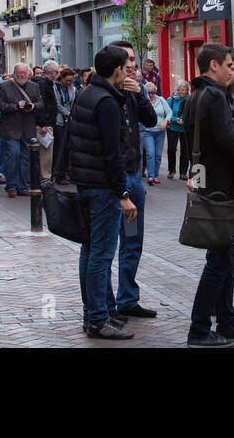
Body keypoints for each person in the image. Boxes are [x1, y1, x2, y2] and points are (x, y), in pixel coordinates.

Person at [184, 43, 234, 347]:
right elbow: (230, 142)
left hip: (208, 181)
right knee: (219, 260)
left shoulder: (194, 95)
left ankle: (226, 320)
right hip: (220, 186)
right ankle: (199, 329)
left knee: (224, 256)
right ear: (214, 65)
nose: (233, 70)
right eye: (229, 65)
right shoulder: (215, 96)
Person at [68, 46, 136, 339]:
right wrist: (122, 193)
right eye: (125, 66)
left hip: (85, 182)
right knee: (101, 254)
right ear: (117, 70)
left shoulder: (85, 93)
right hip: (102, 188)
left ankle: (92, 314)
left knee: (89, 249)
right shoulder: (107, 101)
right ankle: (97, 319)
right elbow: (112, 154)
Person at [107, 41, 159, 320]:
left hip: (133, 177)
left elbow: (150, 120)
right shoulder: (102, 93)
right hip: (114, 181)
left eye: (134, 61)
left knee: (131, 240)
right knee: (105, 246)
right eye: (126, 60)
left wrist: (139, 93)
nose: (131, 65)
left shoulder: (133, 93)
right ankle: (105, 306)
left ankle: (127, 298)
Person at [0, 64, 43, 198]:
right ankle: (12, 185)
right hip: (11, 128)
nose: (22, 75)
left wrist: (33, 106)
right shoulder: (4, 86)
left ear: (28, 74)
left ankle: (23, 186)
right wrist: (15, 107)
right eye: (19, 73)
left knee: (26, 158)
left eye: (24, 73)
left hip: (27, 128)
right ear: (14, 73)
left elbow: (40, 103)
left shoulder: (34, 86)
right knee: (13, 155)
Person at [35, 61, 60, 184]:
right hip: (45, 123)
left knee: (46, 152)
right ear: (52, 72)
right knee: (46, 153)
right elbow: (42, 105)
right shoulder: (44, 84)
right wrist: (43, 124)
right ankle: (45, 178)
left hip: (47, 122)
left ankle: (45, 177)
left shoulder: (43, 84)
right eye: (56, 72)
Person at [141, 82, 169, 185]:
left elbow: (169, 112)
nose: (151, 95)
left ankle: (156, 175)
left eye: (152, 92)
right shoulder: (144, 102)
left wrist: (166, 121)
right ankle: (151, 176)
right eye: (148, 93)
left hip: (160, 132)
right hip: (148, 131)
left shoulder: (161, 100)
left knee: (157, 155)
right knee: (150, 154)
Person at [53, 67, 77, 183]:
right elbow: (57, 104)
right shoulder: (56, 88)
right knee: (60, 147)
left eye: (71, 81)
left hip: (70, 120)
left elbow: (74, 102)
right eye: (67, 81)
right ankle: (58, 174)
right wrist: (67, 113)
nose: (69, 83)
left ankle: (66, 172)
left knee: (68, 147)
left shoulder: (73, 88)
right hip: (60, 121)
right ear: (62, 78)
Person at [166, 80, 190, 180]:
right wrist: (176, 119)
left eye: (185, 90)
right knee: (171, 149)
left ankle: (183, 173)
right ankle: (171, 170)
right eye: (181, 90)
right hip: (173, 127)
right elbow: (167, 113)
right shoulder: (171, 99)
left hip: (185, 128)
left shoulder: (190, 99)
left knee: (185, 150)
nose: (183, 92)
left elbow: (191, 112)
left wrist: (184, 119)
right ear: (177, 89)